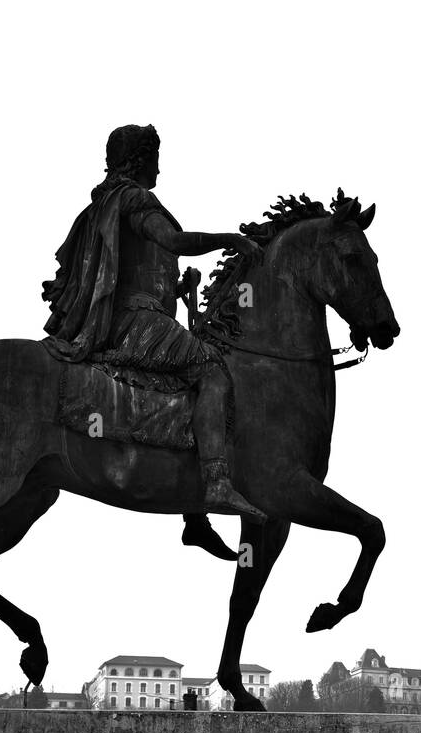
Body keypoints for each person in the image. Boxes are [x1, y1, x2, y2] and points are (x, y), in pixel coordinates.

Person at [41, 124, 265, 555]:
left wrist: (179, 290)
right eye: (156, 155)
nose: (160, 165)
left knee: (183, 385)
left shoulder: (103, 203)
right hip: (136, 321)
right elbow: (173, 241)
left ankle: (194, 518)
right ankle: (217, 482)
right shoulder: (135, 198)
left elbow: (138, 266)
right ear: (141, 159)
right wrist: (229, 240)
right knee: (213, 369)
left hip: (130, 316)